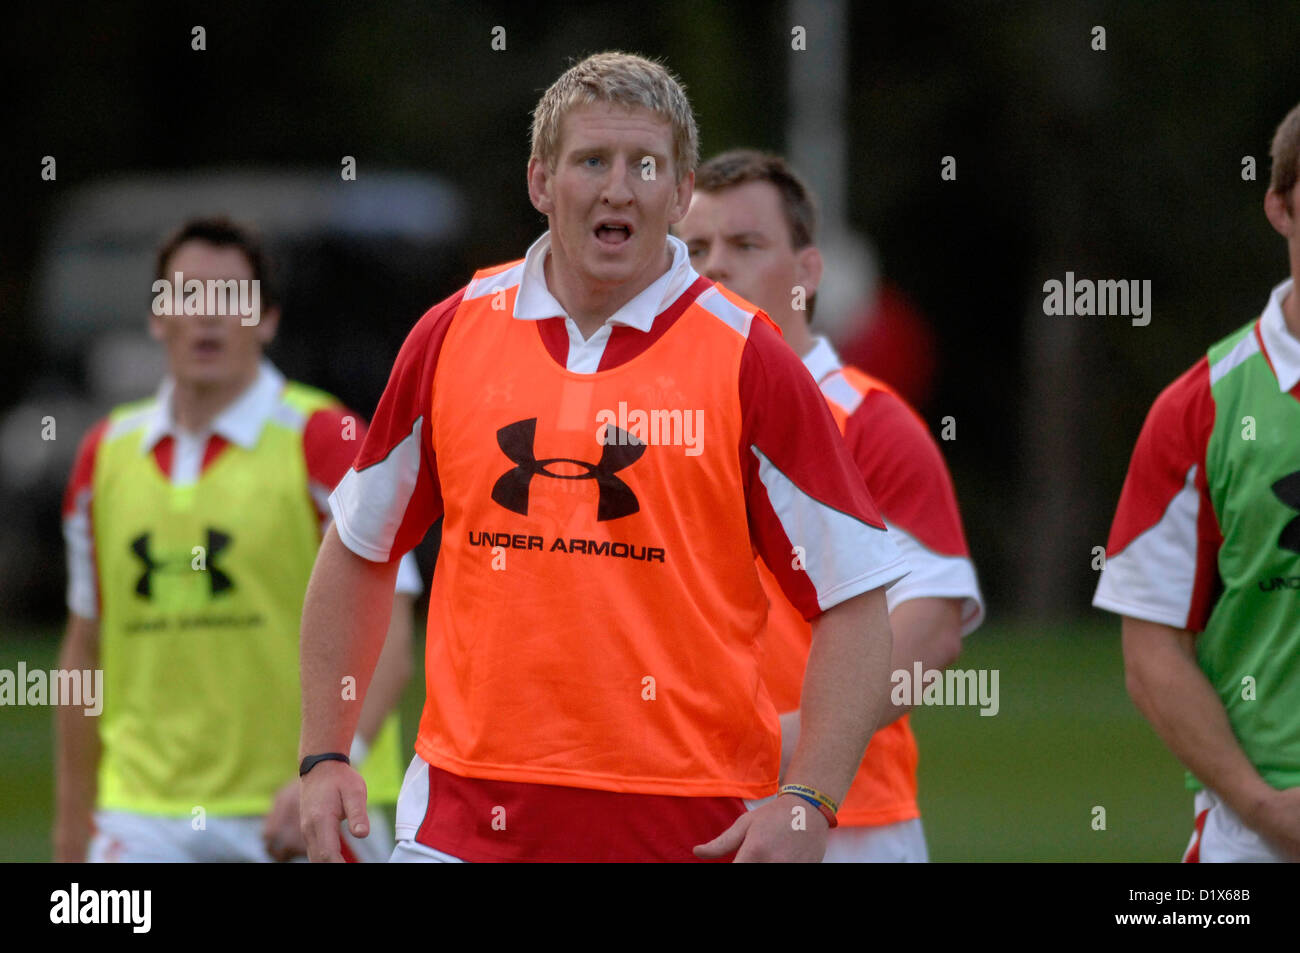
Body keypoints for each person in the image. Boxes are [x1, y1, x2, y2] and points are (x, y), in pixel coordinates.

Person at [297, 51, 907, 864]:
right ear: (541, 182)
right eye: (592, 161)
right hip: (463, 819)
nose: (618, 188)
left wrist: (809, 798)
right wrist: (325, 751)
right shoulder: (452, 333)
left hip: (687, 828)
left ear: (681, 191)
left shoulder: (749, 358)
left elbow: (858, 595)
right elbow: (359, 545)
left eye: (644, 165)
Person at [55, 217, 420, 863]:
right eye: (187, 297)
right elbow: (84, 649)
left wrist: (335, 761)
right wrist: (70, 825)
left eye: (233, 298)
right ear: (156, 318)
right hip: (143, 816)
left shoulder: (325, 438)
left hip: (302, 802)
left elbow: (390, 621)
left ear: (269, 319)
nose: (208, 317)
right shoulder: (102, 456)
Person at [676, 149, 984, 862]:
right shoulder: (653, 419)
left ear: (808, 273)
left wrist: (786, 746)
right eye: (694, 248)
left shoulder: (870, 422)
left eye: (745, 244)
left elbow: (930, 629)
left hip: (848, 820)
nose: (714, 266)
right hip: (682, 807)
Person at [1094, 102, 1300, 862]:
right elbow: (1151, 650)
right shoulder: (1199, 407)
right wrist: (1266, 807)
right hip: (1258, 833)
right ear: (1280, 206)